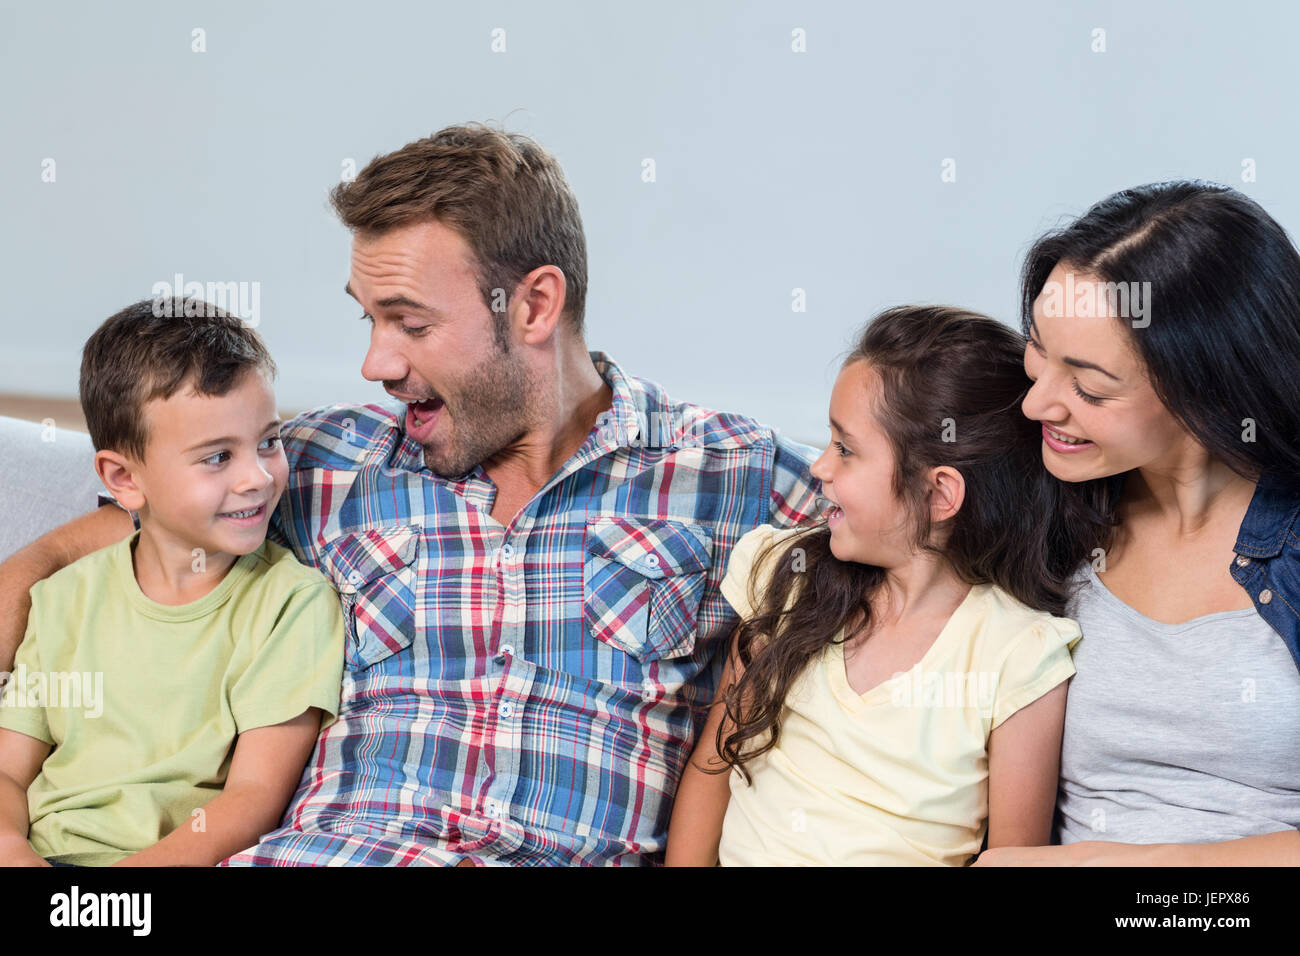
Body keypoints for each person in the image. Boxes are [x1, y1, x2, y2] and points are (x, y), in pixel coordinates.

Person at [0, 124, 823, 865]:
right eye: (368, 321)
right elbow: (135, 521)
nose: (376, 364)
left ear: (534, 305)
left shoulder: (735, 476)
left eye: (410, 324)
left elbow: (924, 543)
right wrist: (29, 567)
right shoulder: (316, 464)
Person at [665, 306, 1091, 865]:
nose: (819, 467)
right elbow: (712, 766)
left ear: (940, 495)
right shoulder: (786, 582)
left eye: (845, 448)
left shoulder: (1017, 655)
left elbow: (1016, 860)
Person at [977, 180, 1300, 866]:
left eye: (1090, 388)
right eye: (1039, 351)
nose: (1037, 405)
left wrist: (1151, 867)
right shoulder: (1047, 508)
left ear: (1208, 393)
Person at [0, 300, 345, 867]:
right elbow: (11, 772)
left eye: (267, 442)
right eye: (217, 457)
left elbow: (252, 798)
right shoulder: (63, 598)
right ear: (124, 480)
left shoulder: (292, 604)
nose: (256, 477)